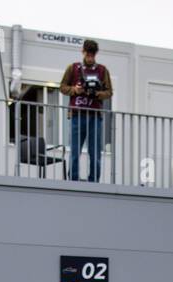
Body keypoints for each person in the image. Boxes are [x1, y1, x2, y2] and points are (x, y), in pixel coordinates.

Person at [60, 39, 112, 183]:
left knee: (95, 153)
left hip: (95, 115)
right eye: (88, 55)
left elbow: (109, 92)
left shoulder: (102, 70)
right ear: (82, 51)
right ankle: (74, 180)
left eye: (92, 55)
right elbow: (62, 87)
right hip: (77, 114)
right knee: (75, 151)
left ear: (96, 54)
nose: (90, 58)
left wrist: (96, 93)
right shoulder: (73, 68)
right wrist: (75, 90)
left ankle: (94, 180)